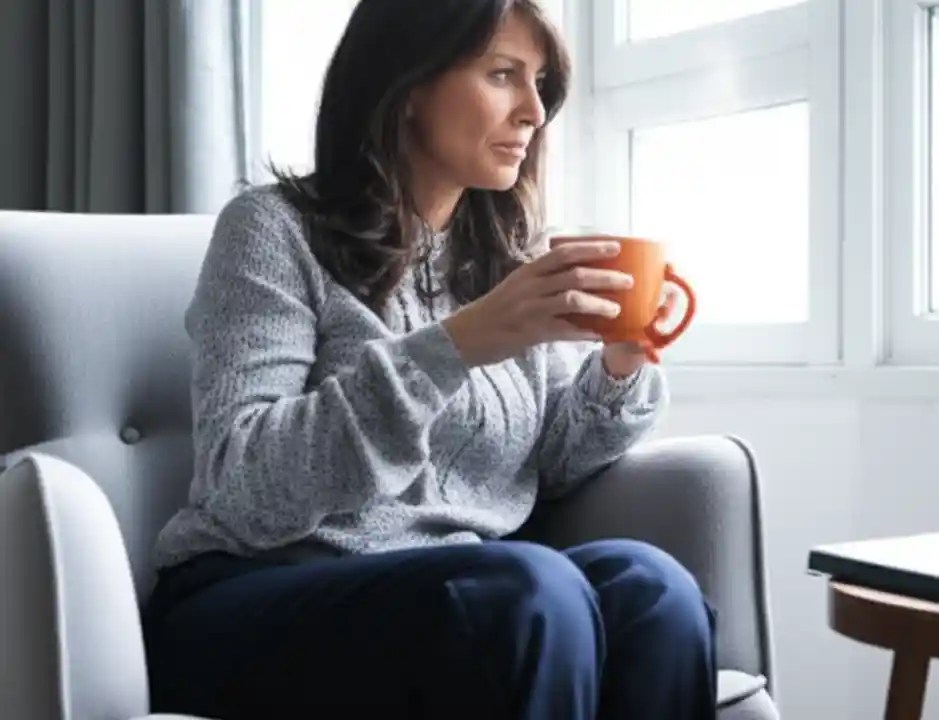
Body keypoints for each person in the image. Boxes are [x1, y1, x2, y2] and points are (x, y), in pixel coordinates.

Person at [139, 1, 716, 718]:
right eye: (504, 75)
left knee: (653, 590)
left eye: (541, 84)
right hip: (254, 591)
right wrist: (456, 347)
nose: (534, 110)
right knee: (526, 592)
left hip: (458, 592)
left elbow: (554, 466)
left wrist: (622, 362)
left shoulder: (509, 261)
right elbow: (241, 483)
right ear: (407, 84)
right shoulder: (273, 231)